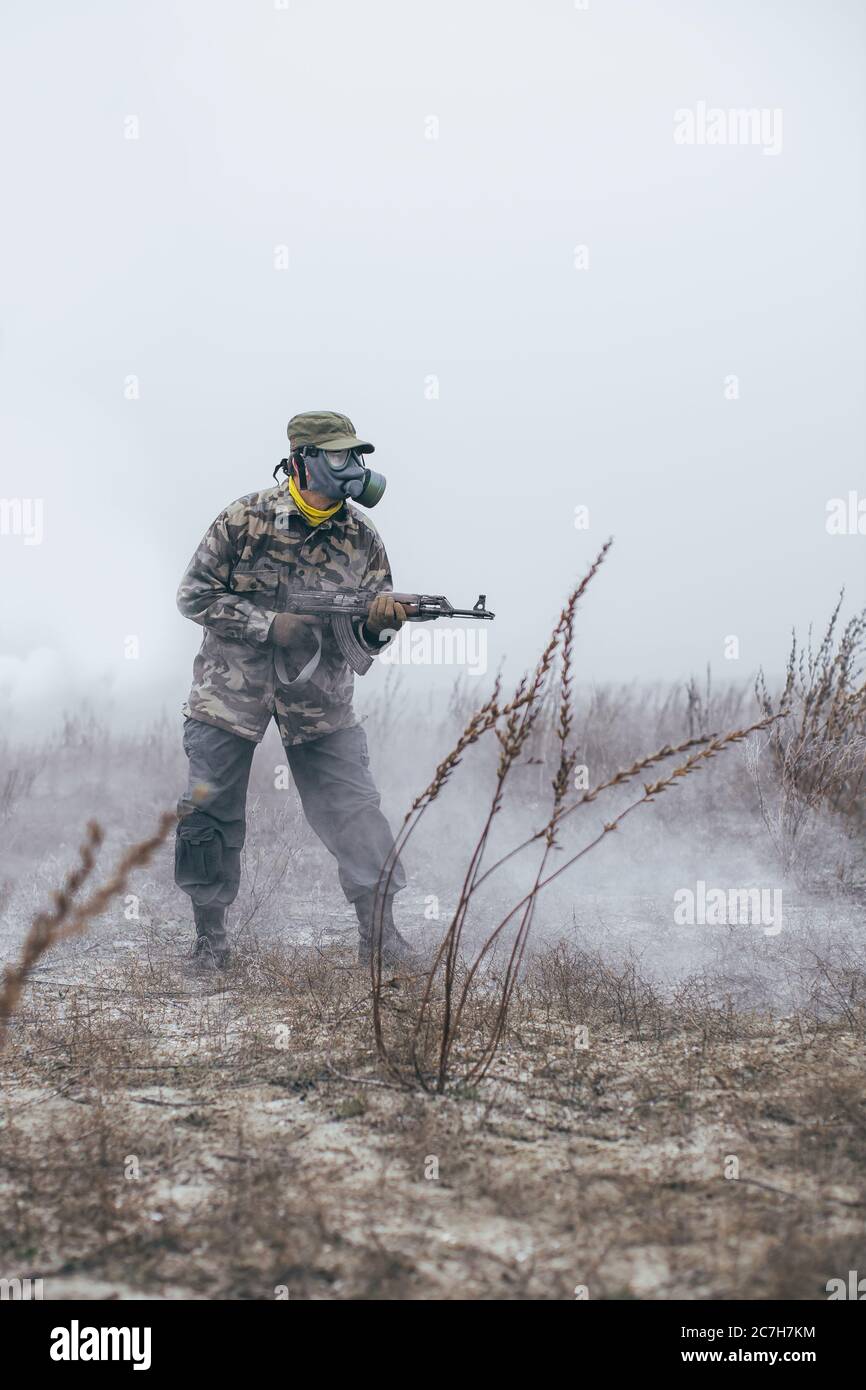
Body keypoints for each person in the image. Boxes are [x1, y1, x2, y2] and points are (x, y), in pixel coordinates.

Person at [174, 410, 414, 971]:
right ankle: (210, 941)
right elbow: (193, 595)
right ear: (303, 460)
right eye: (338, 457)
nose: (352, 468)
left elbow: (363, 638)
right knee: (208, 812)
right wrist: (266, 625)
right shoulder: (244, 518)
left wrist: (379, 626)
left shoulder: (361, 536)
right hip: (228, 694)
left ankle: (380, 936)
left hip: (320, 703)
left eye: (357, 457)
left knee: (355, 810)